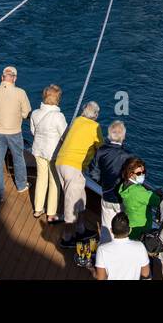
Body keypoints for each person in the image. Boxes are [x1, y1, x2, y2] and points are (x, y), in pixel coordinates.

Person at [56, 101, 103, 248]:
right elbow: (101, 148)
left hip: (61, 163)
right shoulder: (95, 127)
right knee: (71, 205)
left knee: (80, 198)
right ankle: (67, 238)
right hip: (73, 168)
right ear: (95, 115)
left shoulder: (77, 120)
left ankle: (81, 229)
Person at [0, 65, 31, 203]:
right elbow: (26, 113)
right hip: (14, 132)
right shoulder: (21, 93)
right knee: (18, 158)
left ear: (2, 77)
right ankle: (21, 185)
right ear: (15, 78)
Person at [29, 85, 67, 222]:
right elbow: (65, 136)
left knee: (41, 179)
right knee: (54, 181)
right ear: (57, 99)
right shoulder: (59, 116)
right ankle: (51, 214)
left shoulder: (35, 113)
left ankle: (38, 209)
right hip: (53, 153)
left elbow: (33, 132)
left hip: (38, 150)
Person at [90, 120, 133, 242]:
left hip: (107, 195)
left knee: (106, 228)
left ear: (109, 135)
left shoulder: (101, 151)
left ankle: (105, 251)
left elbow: (94, 171)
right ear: (123, 136)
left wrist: (102, 183)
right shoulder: (128, 156)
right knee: (123, 229)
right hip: (123, 198)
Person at [94, 214, 151, 280]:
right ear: (129, 230)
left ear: (111, 230)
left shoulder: (102, 249)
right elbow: (145, 273)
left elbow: (101, 278)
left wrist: (92, 270)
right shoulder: (140, 246)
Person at [118, 157, 161, 240]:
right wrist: (156, 194)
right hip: (141, 228)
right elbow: (157, 201)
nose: (142, 175)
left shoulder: (124, 186)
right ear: (130, 174)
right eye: (139, 173)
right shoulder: (138, 191)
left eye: (143, 172)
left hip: (131, 224)